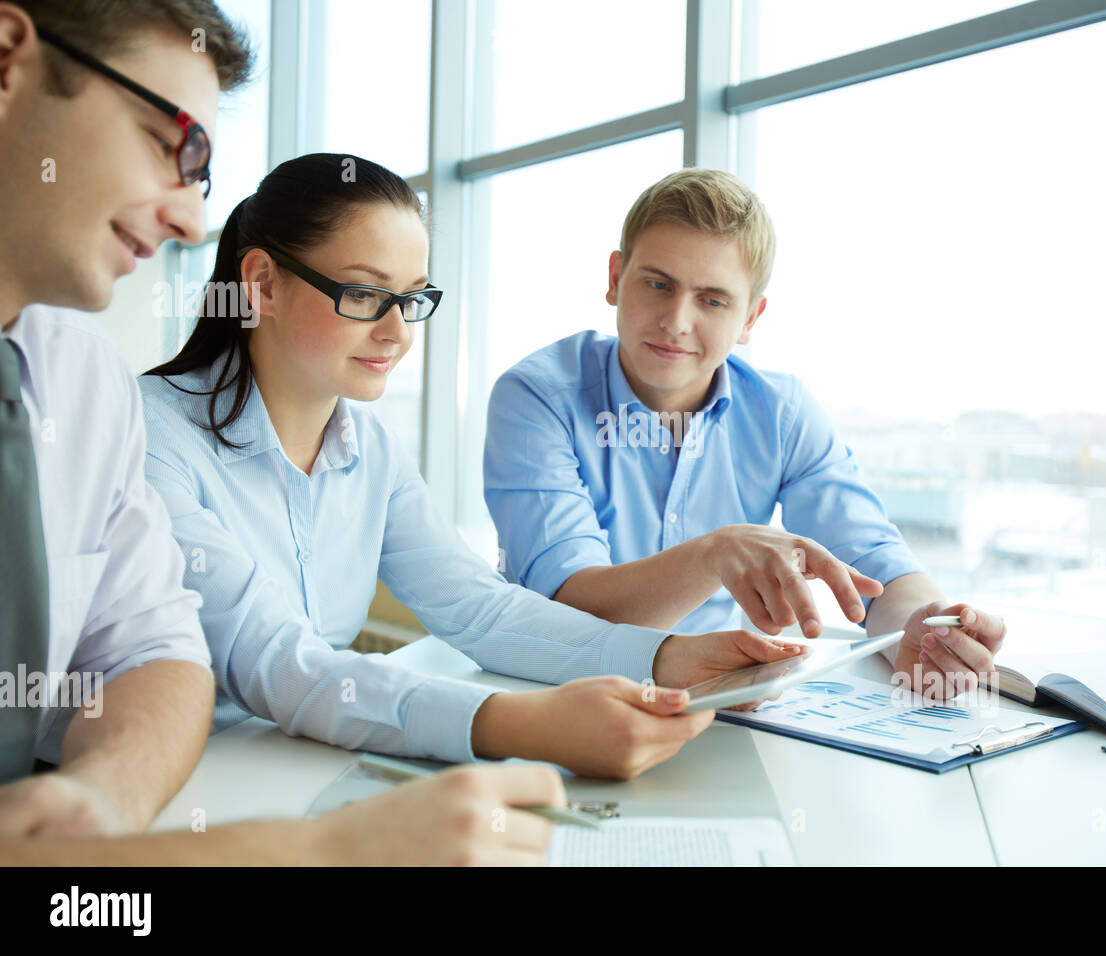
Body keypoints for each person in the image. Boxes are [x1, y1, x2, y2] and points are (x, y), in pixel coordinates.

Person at [0, 0, 559, 866]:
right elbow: (269, 659)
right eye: (166, 141)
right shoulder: (157, 423)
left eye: (203, 174)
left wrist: (91, 809)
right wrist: (326, 853)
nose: (190, 220)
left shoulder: (81, 380)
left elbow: (156, 650)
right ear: (8, 59)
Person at [137, 152, 804, 781]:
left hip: (289, 765)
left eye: (413, 299)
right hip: (167, 786)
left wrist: (669, 658)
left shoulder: (371, 451)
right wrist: (526, 725)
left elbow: (477, 609)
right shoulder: (148, 434)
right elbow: (278, 664)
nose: (397, 332)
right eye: (366, 296)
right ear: (262, 285)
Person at [484, 168, 1006, 700]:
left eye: (712, 300)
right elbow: (567, 609)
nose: (676, 321)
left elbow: (876, 564)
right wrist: (713, 554)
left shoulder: (781, 412)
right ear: (616, 278)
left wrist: (925, 623)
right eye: (658, 284)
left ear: (751, 316)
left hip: (715, 703)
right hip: (550, 699)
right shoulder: (538, 397)